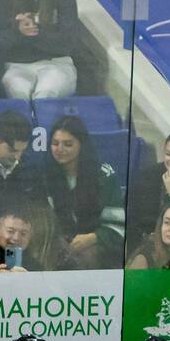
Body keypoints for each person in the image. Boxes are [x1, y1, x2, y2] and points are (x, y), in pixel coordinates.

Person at [43, 115, 125, 269]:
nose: (60, 149)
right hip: (57, 242)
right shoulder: (44, 175)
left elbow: (117, 226)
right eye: (55, 143)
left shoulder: (103, 175)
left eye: (68, 144)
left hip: (95, 244)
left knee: (88, 255)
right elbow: (42, 222)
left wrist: (93, 238)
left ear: (82, 145)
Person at [0, 0, 81, 100]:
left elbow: (68, 42)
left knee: (45, 93)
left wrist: (37, 31)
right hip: (18, 65)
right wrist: (18, 32)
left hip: (57, 63)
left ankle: (43, 121)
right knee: (20, 93)